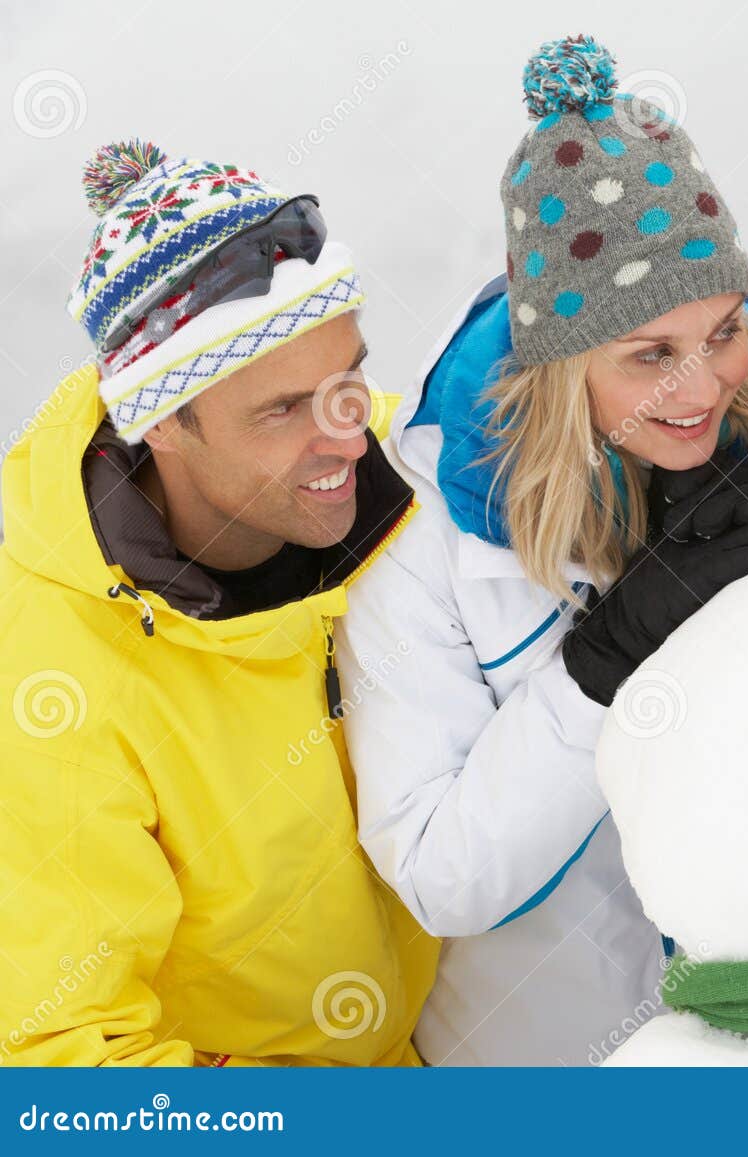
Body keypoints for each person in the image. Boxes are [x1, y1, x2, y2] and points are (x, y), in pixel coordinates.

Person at [337, 35, 748, 1065]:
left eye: (722, 330)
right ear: (560, 362)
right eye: (649, 357)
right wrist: (605, 665)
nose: (704, 387)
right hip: (557, 1060)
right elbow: (439, 872)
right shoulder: (430, 545)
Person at [0, 140, 437, 1065]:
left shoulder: (413, 480)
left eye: (349, 377)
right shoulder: (52, 688)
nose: (350, 437)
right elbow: (62, 1065)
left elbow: (554, 427)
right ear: (161, 419)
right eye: (282, 411)